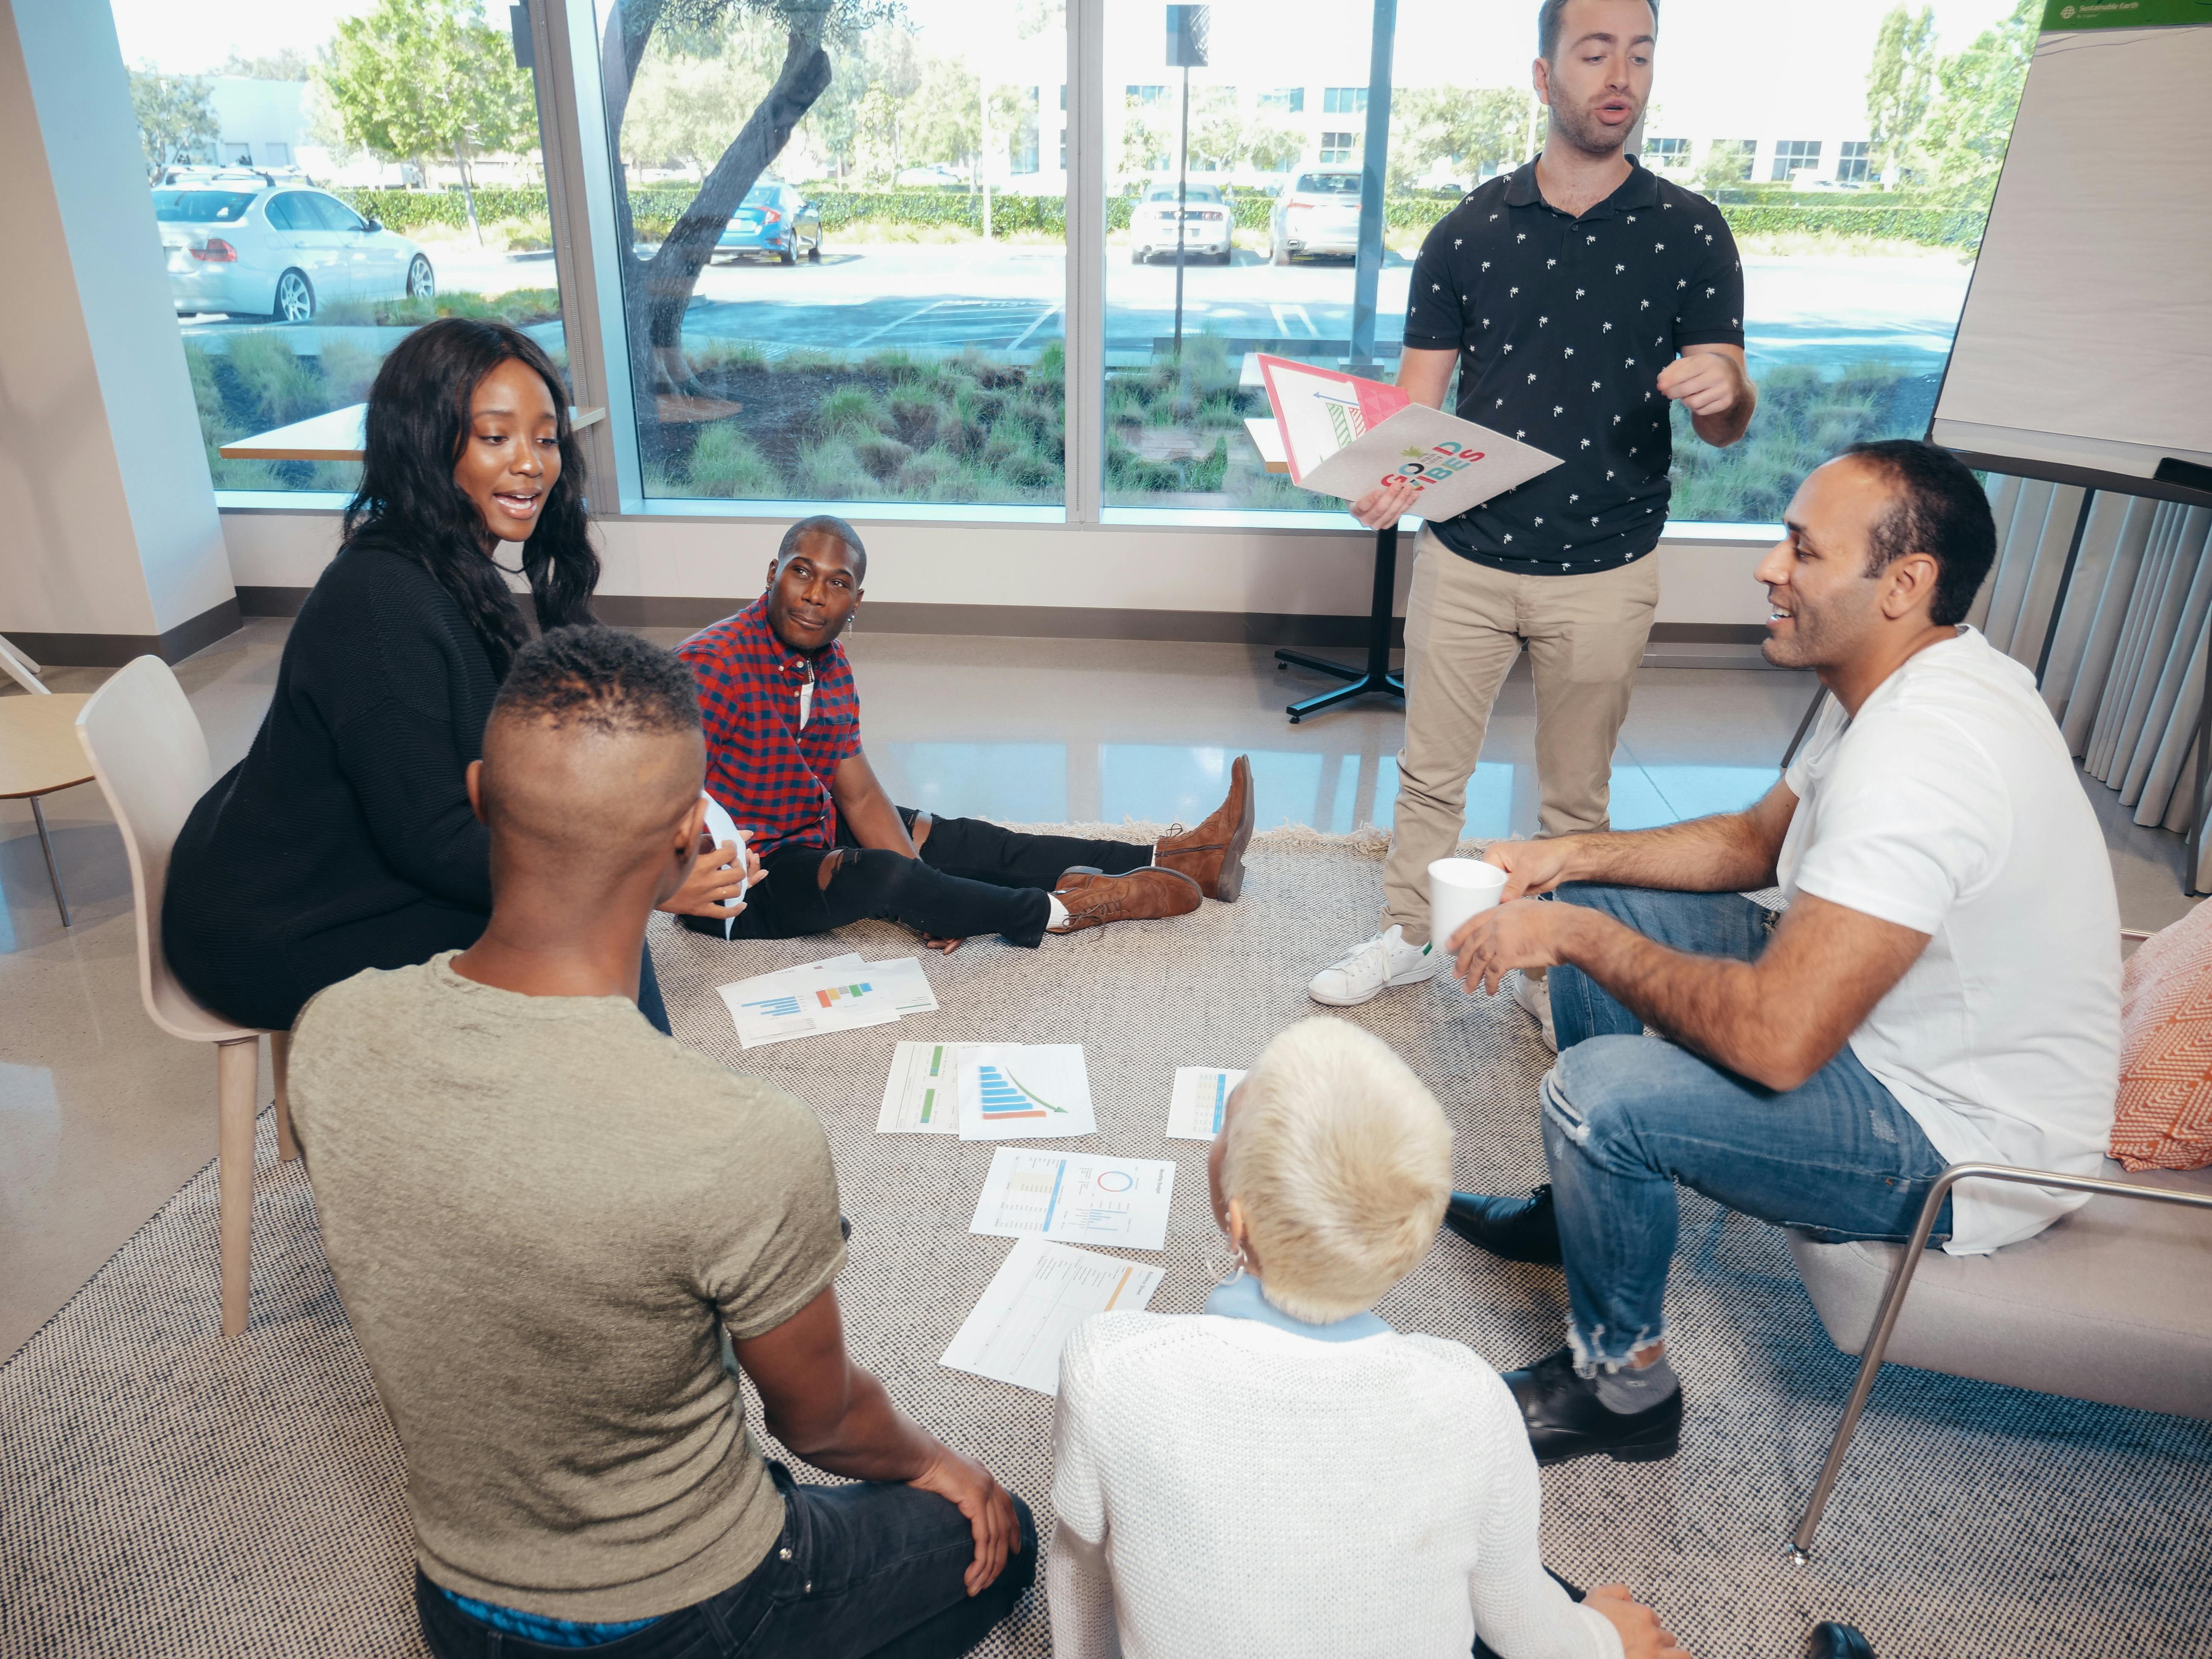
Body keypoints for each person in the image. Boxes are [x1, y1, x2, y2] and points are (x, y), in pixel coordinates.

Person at [288, 624, 1033, 1659]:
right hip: (695, 1610)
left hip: (458, 1607)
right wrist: (942, 1465)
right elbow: (821, 1424)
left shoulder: (329, 1034)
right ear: (691, 838)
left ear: (479, 794)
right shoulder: (739, 1139)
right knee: (1002, 1532)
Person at [1440, 441, 2120, 1467]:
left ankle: (1622, 1388)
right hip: (1889, 1040)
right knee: (1588, 893)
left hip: (1962, 1141)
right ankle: (1582, 1217)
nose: (1769, 569)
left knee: (1599, 1093)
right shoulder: (1911, 679)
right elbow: (1756, 843)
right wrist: (1564, 859)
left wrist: (1572, 936)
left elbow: (1775, 1041)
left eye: (1803, 551)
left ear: (1904, 584)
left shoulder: (1924, 759)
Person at [1310, 0, 1756, 1013]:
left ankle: (1558, 973)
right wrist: (1388, 475)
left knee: (1577, 798)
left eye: (1640, 55)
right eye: (1595, 53)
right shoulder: (1466, 232)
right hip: (1466, 556)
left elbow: (1728, 413)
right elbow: (1419, 407)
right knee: (1430, 777)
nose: (1621, 76)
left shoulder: (1694, 231)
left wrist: (1728, 392)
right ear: (1545, 75)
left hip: (1609, 563)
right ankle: (1412, 934)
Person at [1047, 1016, 1689, 1659]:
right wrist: (1605, 1639)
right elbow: (1518, 1620)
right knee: (1509, 1573)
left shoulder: (1108, 1366)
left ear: (1238, 1222)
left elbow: (1080, 1573)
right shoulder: (1472, 1399)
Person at [163, 319, 730, 1036]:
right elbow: (434, 841)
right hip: (281, 925)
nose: (531, 464)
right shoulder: (380, 605)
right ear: (427, 443)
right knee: (581, 924)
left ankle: (623, 1088)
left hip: (344, 864)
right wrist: (641, 879)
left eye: (546, 439)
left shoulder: (450, 566)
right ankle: (632, 1097)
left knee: (587, 907)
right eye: (495, 437)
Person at [670, 514, 1255, 950]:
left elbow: (860, 795)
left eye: (837, 583)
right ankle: (1059, 911)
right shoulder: (710, 665)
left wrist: (930, 891)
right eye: (801, 572)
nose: (815, 596)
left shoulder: (832, 664)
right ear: (773, 573)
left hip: (811, 825)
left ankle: (1181, 857)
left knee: (964, 841)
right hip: (744, 878)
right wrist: (921, 896)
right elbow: (656, 804)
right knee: (883, 875)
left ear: (857, 602)